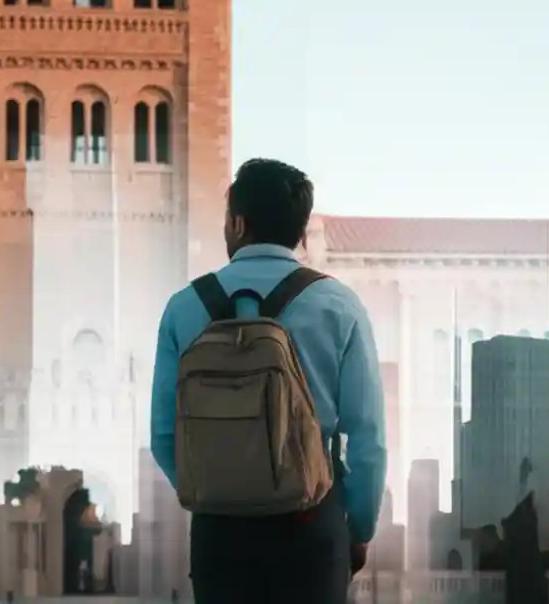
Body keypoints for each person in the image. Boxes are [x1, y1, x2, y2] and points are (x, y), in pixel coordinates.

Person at [150, 158, 387, 604]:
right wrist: (357, 529)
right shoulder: (340, 306)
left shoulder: (184, 308)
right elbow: (367, 436)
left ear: (237, 223)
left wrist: (217, 490)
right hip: (311, 525)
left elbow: (165, 435)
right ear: (300, 233)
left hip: (220, 534)